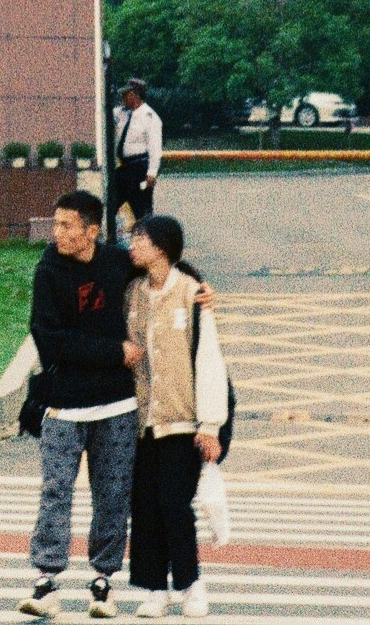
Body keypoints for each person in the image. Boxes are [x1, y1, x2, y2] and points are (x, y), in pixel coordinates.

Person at [21, 190, 137, 618]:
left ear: (91, 231)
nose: (57, 233)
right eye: (56, 224)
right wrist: (113, 353)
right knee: (56, 493)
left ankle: (104, 582)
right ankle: (46, 581)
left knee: (113, 496)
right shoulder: (48, 270)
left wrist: (199, 286)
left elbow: (165, 266)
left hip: (117, 406)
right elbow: (50, 341)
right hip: (65, 407)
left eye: (67, 226)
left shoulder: (116, 262)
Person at [123, 215, 228, 618]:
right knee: (145, 507)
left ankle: (190, 584)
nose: (132, 246)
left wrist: (211, 425)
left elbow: (208, 359)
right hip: (140, 423)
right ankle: (153, 589)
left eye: (140, 239)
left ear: (162, 247)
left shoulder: (191, 293)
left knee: (173, 504)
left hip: (182, 421)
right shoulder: (132, 292)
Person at [110, 82, 163, 236]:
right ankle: (111, 237)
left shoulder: (149, 117)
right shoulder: (122, 113)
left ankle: (150, 238)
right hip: (125, 168)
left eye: (126, 95)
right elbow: (107, 112)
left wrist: (152, 172)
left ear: (135, 95)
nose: (123, 98)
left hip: (140, 167)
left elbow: (155, 147)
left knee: (142, 210)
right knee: (111, 203)